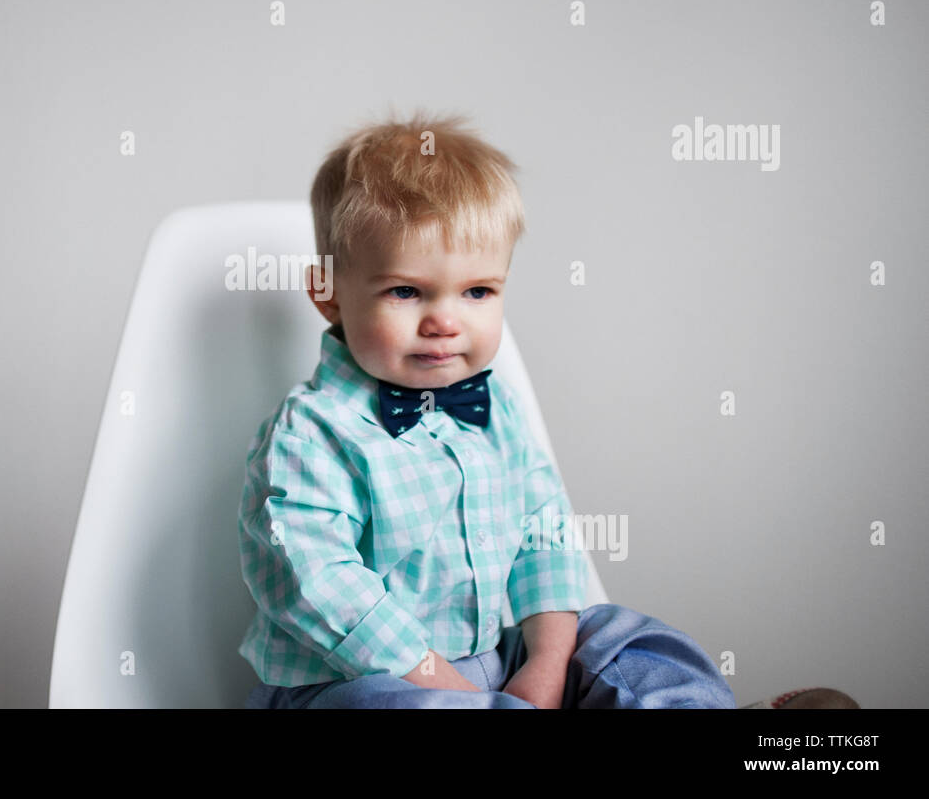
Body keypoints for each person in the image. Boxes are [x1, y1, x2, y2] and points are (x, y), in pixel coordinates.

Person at [237, 110, 768, 708]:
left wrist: (544, 664)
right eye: (405, 291)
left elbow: (546, 533)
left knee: (629, 640)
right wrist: (454, 690)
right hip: (358, 680)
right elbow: (317, 587)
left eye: (478, 291)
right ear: (328, 294)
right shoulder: (311, 434)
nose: (445, 321)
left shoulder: (496, 409)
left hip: (495, 661)